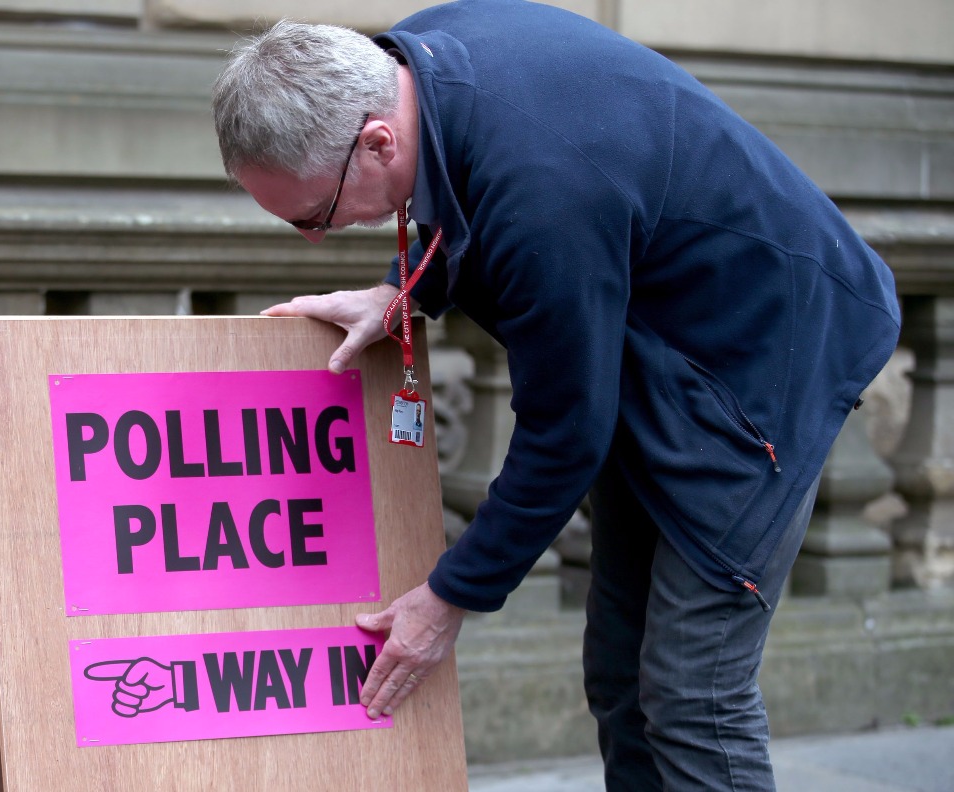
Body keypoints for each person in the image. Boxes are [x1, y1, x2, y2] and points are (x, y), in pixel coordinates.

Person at [211, 2, 901, 790]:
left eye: (315, 217)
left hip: (762, 367)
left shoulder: (542, 186)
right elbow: (473, 208)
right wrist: (399, 290)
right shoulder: (424, 59)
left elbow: (566, 431)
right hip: (654, 349)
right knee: (619, 674)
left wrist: (449, 597)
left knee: (690, 694)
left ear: (377, 141)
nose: (314, 238)